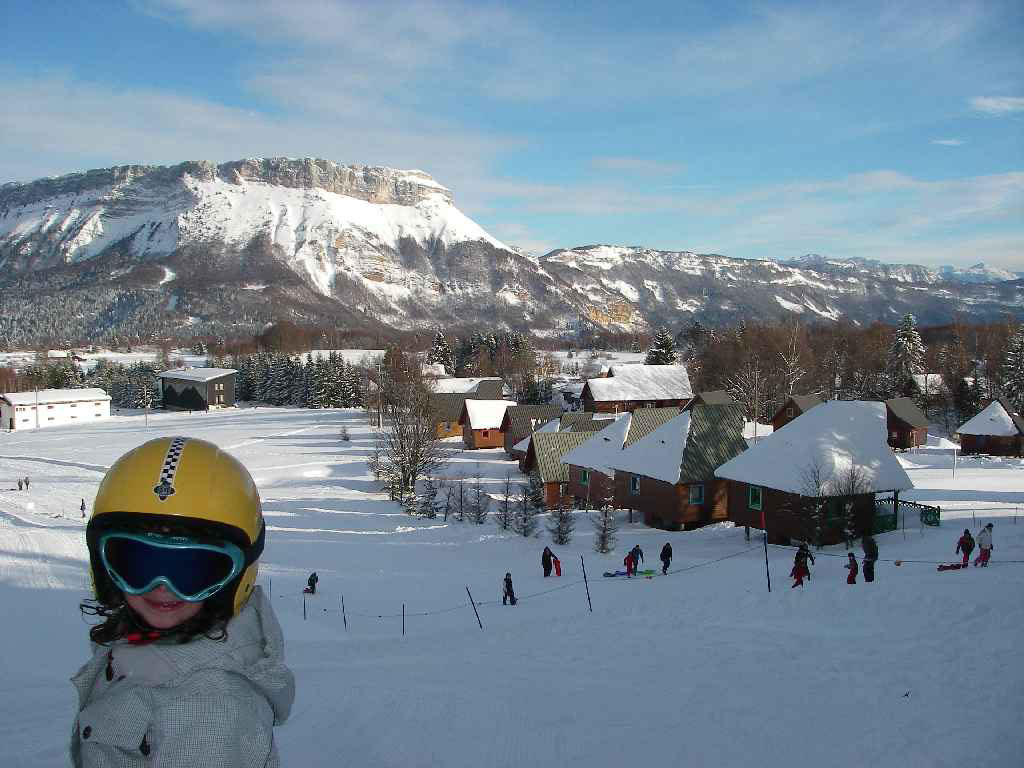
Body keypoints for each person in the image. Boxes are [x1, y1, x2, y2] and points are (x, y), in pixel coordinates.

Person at [72, 436, 294, 767]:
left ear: (236, 577)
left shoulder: (210, 714)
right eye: (138, 563)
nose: (162, 588)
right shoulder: (146, 647)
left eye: (190, 569)